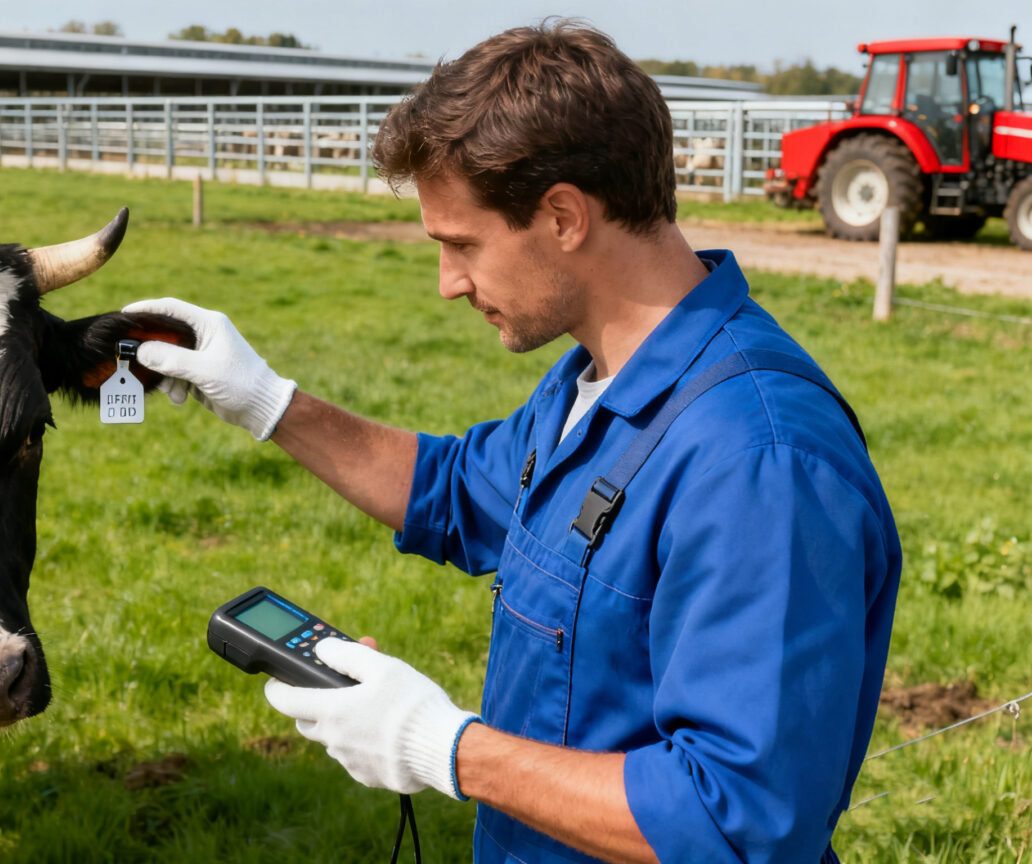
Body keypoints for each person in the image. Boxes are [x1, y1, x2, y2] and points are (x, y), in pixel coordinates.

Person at [124, 20, 900, 864]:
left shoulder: (758, 460)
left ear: (563, 216)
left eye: (462, 244)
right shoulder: (595, 380)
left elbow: (738, 820)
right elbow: (457, 490)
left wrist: (446, 747)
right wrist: (266, 401)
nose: (448, 283)